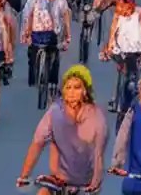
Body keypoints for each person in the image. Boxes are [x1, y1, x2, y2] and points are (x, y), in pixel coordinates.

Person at [17, 65, 108, 194]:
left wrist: (95, 183)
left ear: (85, 91)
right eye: (68, 87)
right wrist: (24, 176)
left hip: (85, 185)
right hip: (58, 182)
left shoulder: (96, 116)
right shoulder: (55, 112)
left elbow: (98, 153)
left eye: (77, 88)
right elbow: (37, 143)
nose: (71, 92)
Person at [101, 0, 141, 112]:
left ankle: (136, 96)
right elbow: (113, 31)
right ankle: (116, 99)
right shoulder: (117, 15)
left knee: (135, 73)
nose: (125, 10)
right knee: (122, 71)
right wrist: (109, 47)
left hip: (137, 49)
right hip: (121, 50)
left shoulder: (140, 13)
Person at [22, 0, 72, 89]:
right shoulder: (34, 0)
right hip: (36, 34)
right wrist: (27, 32)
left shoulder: (61, 1)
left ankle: (52, 83)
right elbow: (29, 16)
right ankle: (32, 78)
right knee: (32, 54)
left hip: (54, 35)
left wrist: (68, 35)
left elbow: (66, 17)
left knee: (55, 57)